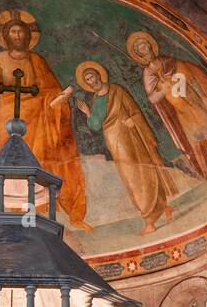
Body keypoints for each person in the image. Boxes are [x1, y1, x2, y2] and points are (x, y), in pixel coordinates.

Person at [0, 9, 92, 230]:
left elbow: (51, 89)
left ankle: (38, 211)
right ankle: (13, 210)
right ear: (6, 36)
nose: (18, 36)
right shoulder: (0, 58)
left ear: (28, 36)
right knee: (9, 156)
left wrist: (58, 99)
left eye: (21, 32)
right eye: (13, 32)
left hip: (39, 114)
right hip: (9, 111)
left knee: (39, 156)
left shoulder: (37, 60)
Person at [74, 61, 185, 235]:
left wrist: (133, 120)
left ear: (98, 75)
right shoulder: (95, 100)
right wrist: (88, 112)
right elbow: (95, 126)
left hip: (130, 136)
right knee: (131, 179)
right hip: (115, 142)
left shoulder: (117, 90)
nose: (91, 81)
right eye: (87, 80)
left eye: (92, 76)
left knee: (142, 172)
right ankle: (161, 209)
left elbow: (134, 109)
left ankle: (150, 219)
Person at [127, 31, 207, 196]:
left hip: (193, 105)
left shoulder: (169, 62)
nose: (146, 50)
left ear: (151, 46)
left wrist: (204, 96)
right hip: (181, 114)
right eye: (141, 49)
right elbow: (153, 98)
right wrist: (164, 90)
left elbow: (190, 79)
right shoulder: (148, 73)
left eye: (146, 46)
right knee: (196, 148)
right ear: (140, 54)